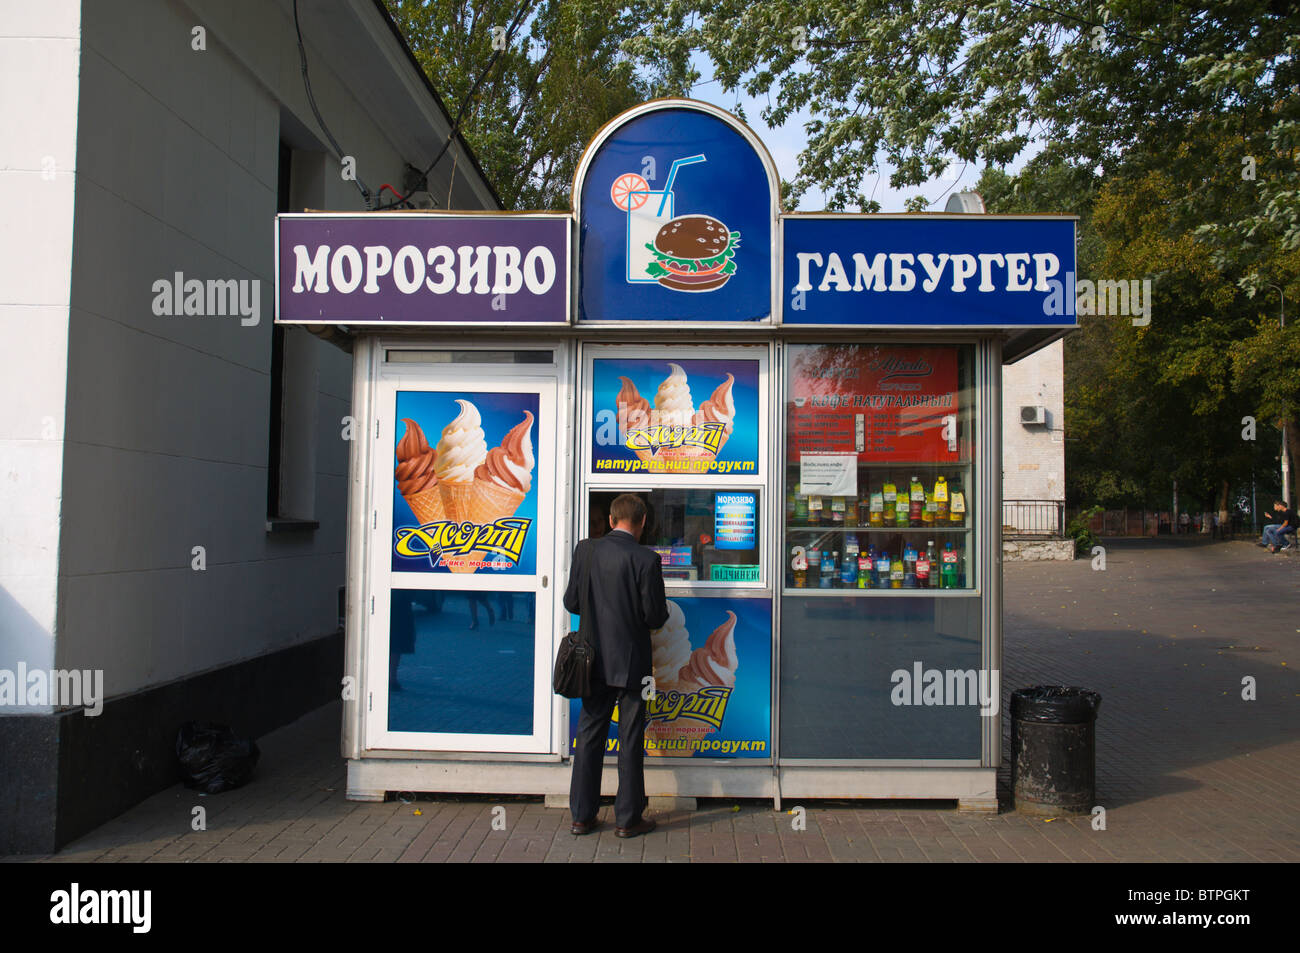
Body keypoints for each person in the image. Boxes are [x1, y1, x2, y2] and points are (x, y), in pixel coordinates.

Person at [564, 493, 669, 838]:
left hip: (590, 661)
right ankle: (627, 819)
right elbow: (655, 616)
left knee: (589, 734)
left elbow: (572, 602)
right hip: (632, 664)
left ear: (610, 520)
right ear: (641, 523)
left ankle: (581, 816)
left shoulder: (586, 550)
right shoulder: (646, 559)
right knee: (631, 737)